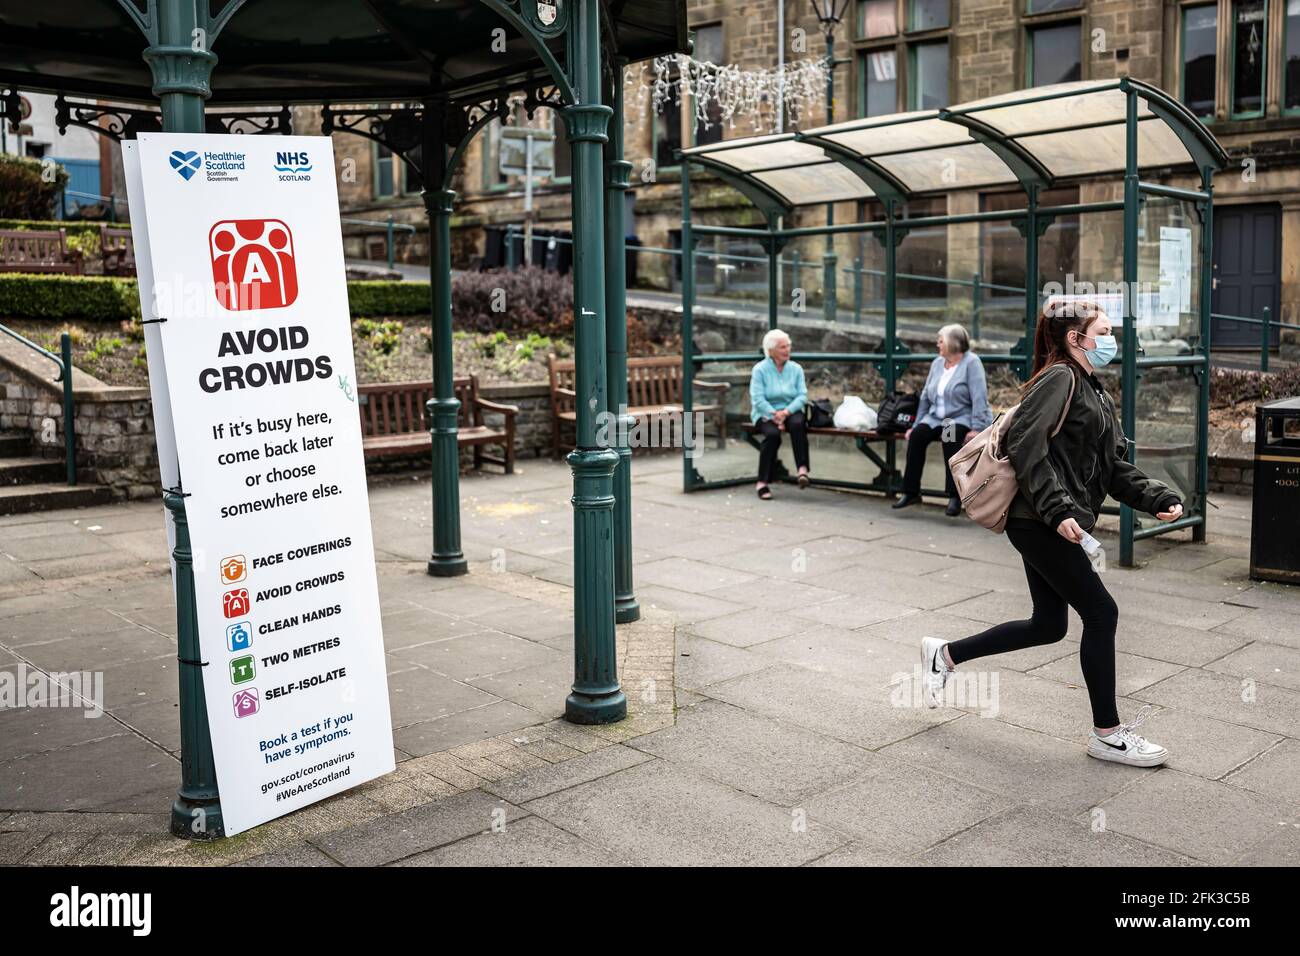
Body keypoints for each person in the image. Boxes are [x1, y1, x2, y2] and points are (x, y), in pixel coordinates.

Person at [920, 300, 1184, 768]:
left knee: (1048, 625)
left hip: (1051, 520)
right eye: (1102, 332)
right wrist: (1058, 507)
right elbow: (1025, 445)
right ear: (1075, 338)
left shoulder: (1092, 388)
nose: (1110, 340)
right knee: (1101, 613)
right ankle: (1107, 734)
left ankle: (943, 655)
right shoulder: (1060, 378)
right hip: (1039, 521)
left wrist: (1157, 496)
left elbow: (1110, 467)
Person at [893, 323, 991, 517]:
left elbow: (980, 397)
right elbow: (925, 398)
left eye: (940, 341)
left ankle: (954, 496)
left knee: (949, 438)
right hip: (935, 417)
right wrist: (915, 425)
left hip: (957, 417)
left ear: (952, 343)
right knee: (917, 437)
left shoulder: (971, 362)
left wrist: (977, 427)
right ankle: (910, 491)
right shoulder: (938, 363)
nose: (937, 344)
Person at [750, 328, 809, 500]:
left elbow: (802, 396)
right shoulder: (760, 370)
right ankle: (762, 482)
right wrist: (774, 414)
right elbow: (757, 399)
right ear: (771, 351)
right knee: (773, 435)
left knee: (798, 423)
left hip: (790, 409)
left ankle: (802, 469)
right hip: (765, 413)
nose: (787, 350)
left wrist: (786, 412)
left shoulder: (796, 369)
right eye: (782, 347)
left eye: (788, 346)